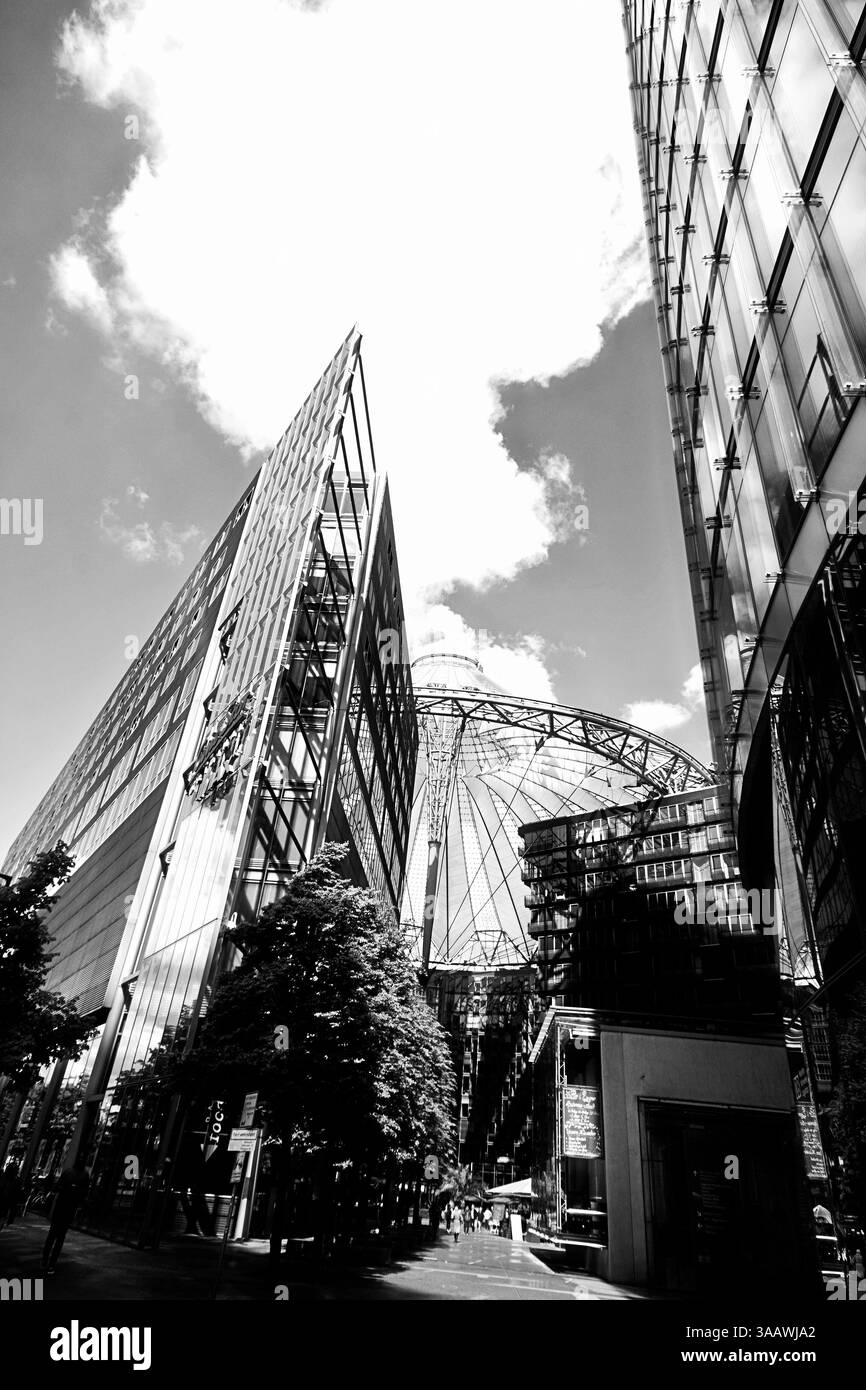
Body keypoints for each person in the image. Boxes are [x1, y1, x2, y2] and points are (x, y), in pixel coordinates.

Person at [41, 1161, 89, 1274]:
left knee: (52, 1235)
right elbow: (84, 1194)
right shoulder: (84, 1175)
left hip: (61, 1206)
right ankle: (52, 1264)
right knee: (60, 1237)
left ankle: (44, 1260)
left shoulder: (68, 1172)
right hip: (70, 1209)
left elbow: (57, 1187)